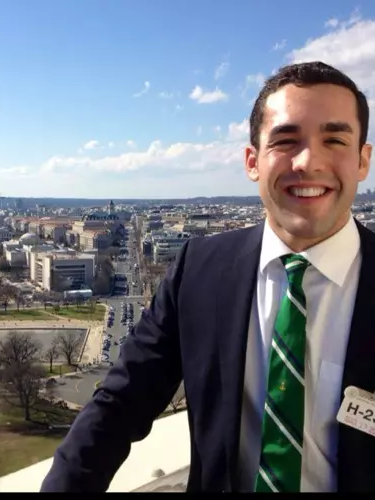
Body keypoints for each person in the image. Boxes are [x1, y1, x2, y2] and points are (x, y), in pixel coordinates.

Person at [40, 61, 375, 493]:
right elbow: (121, 403)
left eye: (334, 140)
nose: (309, 161)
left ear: (363, 160)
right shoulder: (200, 269)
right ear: (252, 161)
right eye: (286, 141)